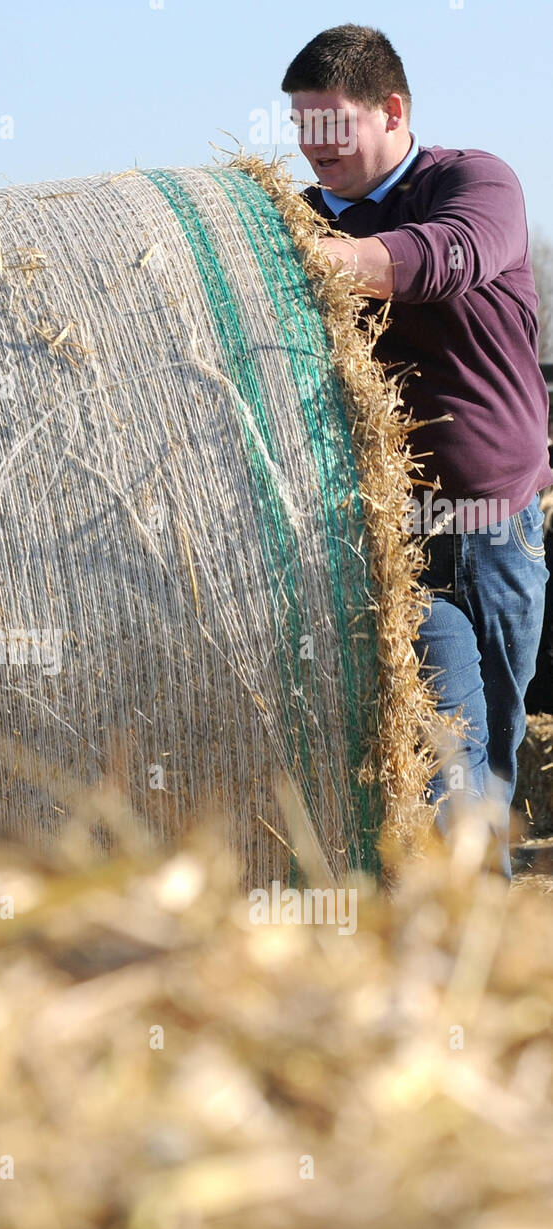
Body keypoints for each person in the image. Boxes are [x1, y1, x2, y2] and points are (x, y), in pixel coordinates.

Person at [282, 24, 552, 874]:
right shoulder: (291, 217)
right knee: (447, 754)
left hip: (498, 526)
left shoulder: (475, 182)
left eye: (331, 126)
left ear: (392, 111)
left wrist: (320, 262)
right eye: (299, 127)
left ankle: (483, 933)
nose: (311, 148)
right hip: (394, 533)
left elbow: (443, 259)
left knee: (497, 754)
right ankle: (461, 930)